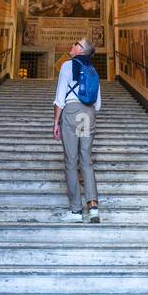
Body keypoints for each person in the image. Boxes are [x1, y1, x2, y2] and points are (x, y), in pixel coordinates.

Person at [53, 38, 101, 222]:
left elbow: (59, 98)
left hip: (72, 113)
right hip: (88, 114)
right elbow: (98, 104)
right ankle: (94, 207)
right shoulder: (93, 69)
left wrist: (56, 122)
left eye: (76, 44)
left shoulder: (67, 66)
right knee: (86, 160)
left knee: (71, 161)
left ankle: (76, 210)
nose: (72, 45)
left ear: (81, 51)